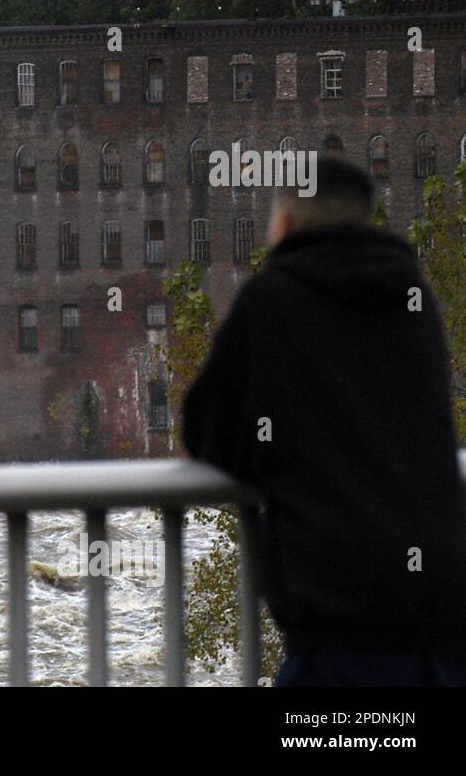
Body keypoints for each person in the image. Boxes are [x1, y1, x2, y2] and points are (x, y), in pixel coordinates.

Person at [181, 157, 466, 686]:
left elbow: (206, 429)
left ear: (285, 220)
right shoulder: (413, 297)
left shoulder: (272, 298)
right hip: (444, 606)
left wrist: (280, 456)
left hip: (344, 614)